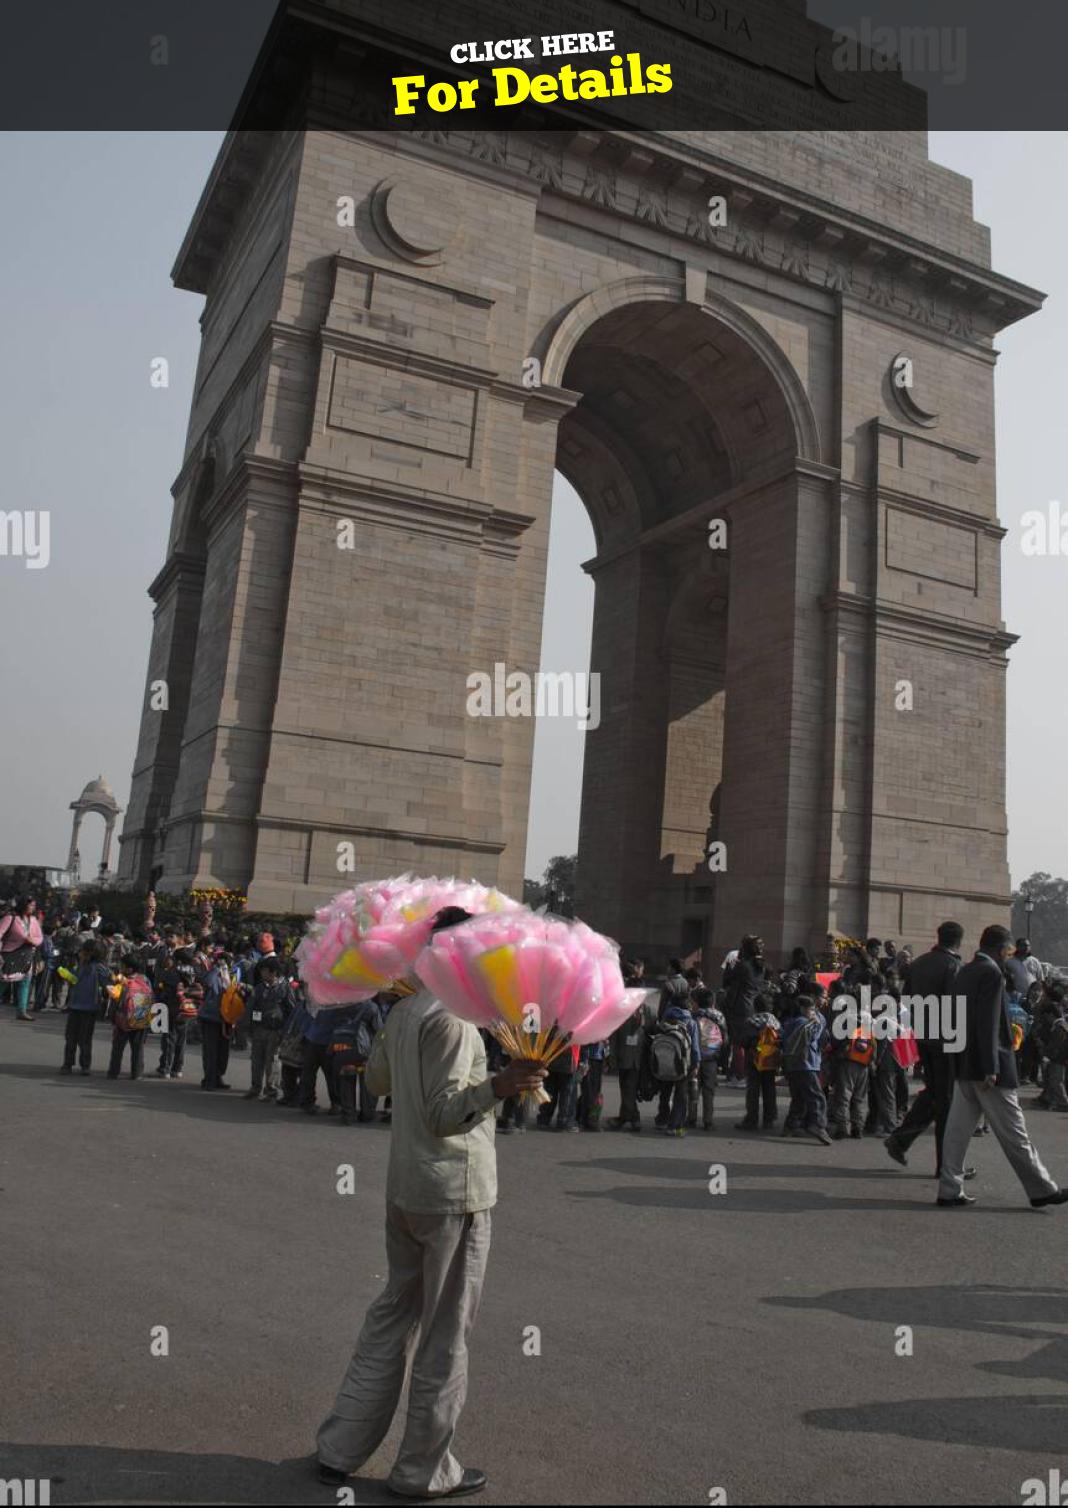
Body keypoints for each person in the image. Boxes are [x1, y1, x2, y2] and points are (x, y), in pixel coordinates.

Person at [315, 907, 546, 1498]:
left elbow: (376, 1085)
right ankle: (423, 1471)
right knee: (445, 1335)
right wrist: (498, 1085)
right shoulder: (453, 1021)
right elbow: (447, 1115)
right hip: (452, 1192)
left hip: (405, 1188)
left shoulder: (405, 1009)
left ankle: (340, 1447)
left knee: (392, 1314)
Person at [937, 924, 1067, 1210]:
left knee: (956, 1133)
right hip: (990, 1066)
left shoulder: (964, 971)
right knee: (1015, 1132)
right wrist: (991, 1066)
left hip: (965, 1063)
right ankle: (1042, 1188)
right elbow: (989, 1024)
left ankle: (949, 1187)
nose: (1009, 956)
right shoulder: (992, 973)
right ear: (1001, 949)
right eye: (1008, 951)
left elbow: (954, 1020)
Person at [884, 922, 968, 1178]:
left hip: (924, 1037)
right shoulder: (953, 966)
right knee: (947, 1101)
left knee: (935, 1093)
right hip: (947, 1040)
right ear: (959, 941)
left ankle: (901, 1139)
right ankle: (947, 1164)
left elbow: (907, 1001)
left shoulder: (919, 963)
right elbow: (956, 1007)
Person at [779, 994, 831, 1144]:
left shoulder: (789, 1022)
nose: (813, 1012)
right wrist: (817, 1023)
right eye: (811, 1009)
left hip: (792, 1065)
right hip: (806, 1064)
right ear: (803, 1009)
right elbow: (814, 1037)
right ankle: (818, 1125)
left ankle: (790, 1126)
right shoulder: (805, 1023)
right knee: (817, 1096)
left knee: (799, 1097)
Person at [246, 958, 294, 1102]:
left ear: (274, 972)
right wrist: (248, 1026)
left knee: (272, 1061)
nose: (262, 973)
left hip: (275, 1030)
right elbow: (251, 1007)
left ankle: (271, 1090)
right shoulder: (259, 988)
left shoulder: (285, 988)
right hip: (259, 1028)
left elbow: (291, 1011)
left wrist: (285, 1031)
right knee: (256, 1060)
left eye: (265, 970)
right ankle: (255, 1088)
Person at [60, 940, 111, 1074]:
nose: (80, 953)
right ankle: (68, 1064)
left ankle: (84, 1065)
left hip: (90, 1008)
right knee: (71, 1037)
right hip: (75, 1006)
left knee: (84, 1039)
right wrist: (67, 975)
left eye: (83, 951)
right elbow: (75, 980)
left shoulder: (99, 968)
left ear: (91, 953)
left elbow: (107, 982)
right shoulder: (81, 966)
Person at [1, 895, 43, 1020]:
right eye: (30, 905)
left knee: (25, 982)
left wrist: (32, 941)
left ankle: (21, 1011)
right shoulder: (11, 918)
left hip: (27, 955)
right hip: (11, 954)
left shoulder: (34, 920)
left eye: (34, 905)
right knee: (4, 981)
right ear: (23, 905)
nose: (32, 908)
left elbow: (39, 937)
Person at [690, 987, 726, 1130]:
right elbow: (725, 1038)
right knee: (709, 1090)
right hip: (712, 1057)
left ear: (697, 1002)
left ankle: (691, 1118)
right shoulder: (719, 1016)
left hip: (696, 1057)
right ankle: (708, 1120)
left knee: (693, 1089)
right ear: (712, 1002)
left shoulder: (693, 1016)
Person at [609, 997, 645, 1132]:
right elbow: (614, 1036)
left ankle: (633, 1118)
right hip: (624, 1057)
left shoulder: (647, 1011)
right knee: (627, 1089)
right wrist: (612, 1057)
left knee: (629, 1089)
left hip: (638, 1059)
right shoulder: (621, 1013)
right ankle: (627, 1117)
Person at [198, 950, 233, 1091]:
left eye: (226, 960)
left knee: (223, 1051)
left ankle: (218, 1076)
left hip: (227, 1017)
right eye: (221, 959)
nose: (224, 963)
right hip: (211, 1016)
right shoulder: (211, 973)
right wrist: (217, 969)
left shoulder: (233, 974)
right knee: (210, 1051)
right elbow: (208, 983)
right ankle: (209, 1079)